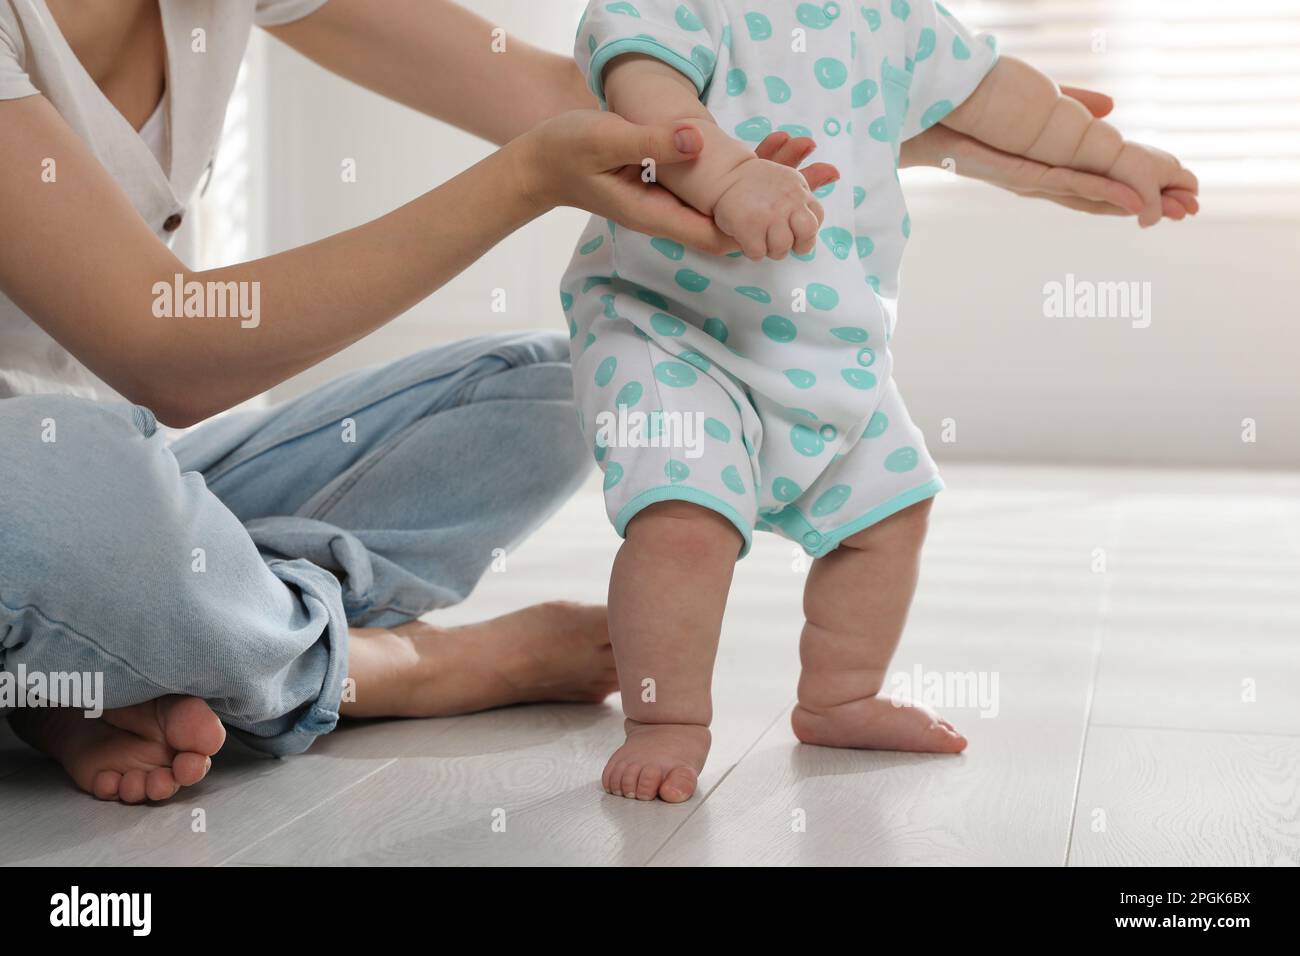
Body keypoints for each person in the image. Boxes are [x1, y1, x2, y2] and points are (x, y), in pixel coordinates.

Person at [0, 0, 1145, 805]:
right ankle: (379, 668)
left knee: (566, 387)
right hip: (50, 483)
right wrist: (522, 180)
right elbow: (164, 343)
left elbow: (589, 105)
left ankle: (117, 647)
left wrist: (934, 138)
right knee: (82, 502)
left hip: (123, 470)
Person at [559, 0, 1198, 802]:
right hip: (666, 326)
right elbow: (646, 100)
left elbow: (1000, 93)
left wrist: (1111, 153)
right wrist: (729, 175)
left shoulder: (892, 14)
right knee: (684, 524)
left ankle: (840, 696)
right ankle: (665, 720)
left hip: (822, 334)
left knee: (892, 514)